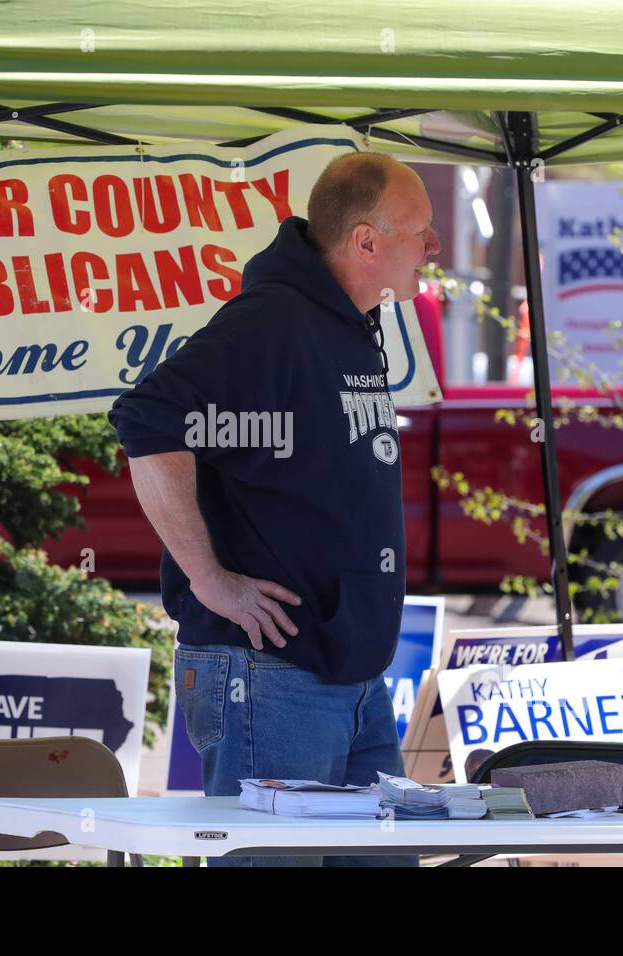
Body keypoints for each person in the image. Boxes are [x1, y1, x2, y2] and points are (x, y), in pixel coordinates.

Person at [108, 151, 440, 867]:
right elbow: (147, 419)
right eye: (422, 232)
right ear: (366, 243)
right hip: (266, 673)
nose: (434, 248)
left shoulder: (346, 321)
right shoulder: (274, 320)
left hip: (346, 672)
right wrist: (210, 579)